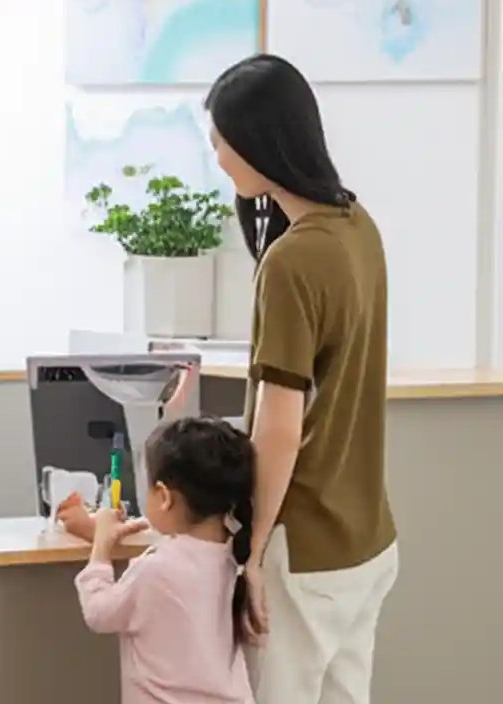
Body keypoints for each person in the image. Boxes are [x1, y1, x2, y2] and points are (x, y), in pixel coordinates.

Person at [205, 53, 398, 703]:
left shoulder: (292, 261)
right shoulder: (357, 226)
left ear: (260, 142)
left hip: (304, 551)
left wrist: (251, 556)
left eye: (222, 140)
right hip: (366, 541)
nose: (219, 156)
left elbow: (280, 427)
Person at [67, 417, 256, 704]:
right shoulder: (234, 555)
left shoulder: (155, 570)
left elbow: (99, 613)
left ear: (165, 496)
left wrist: (101, 548)